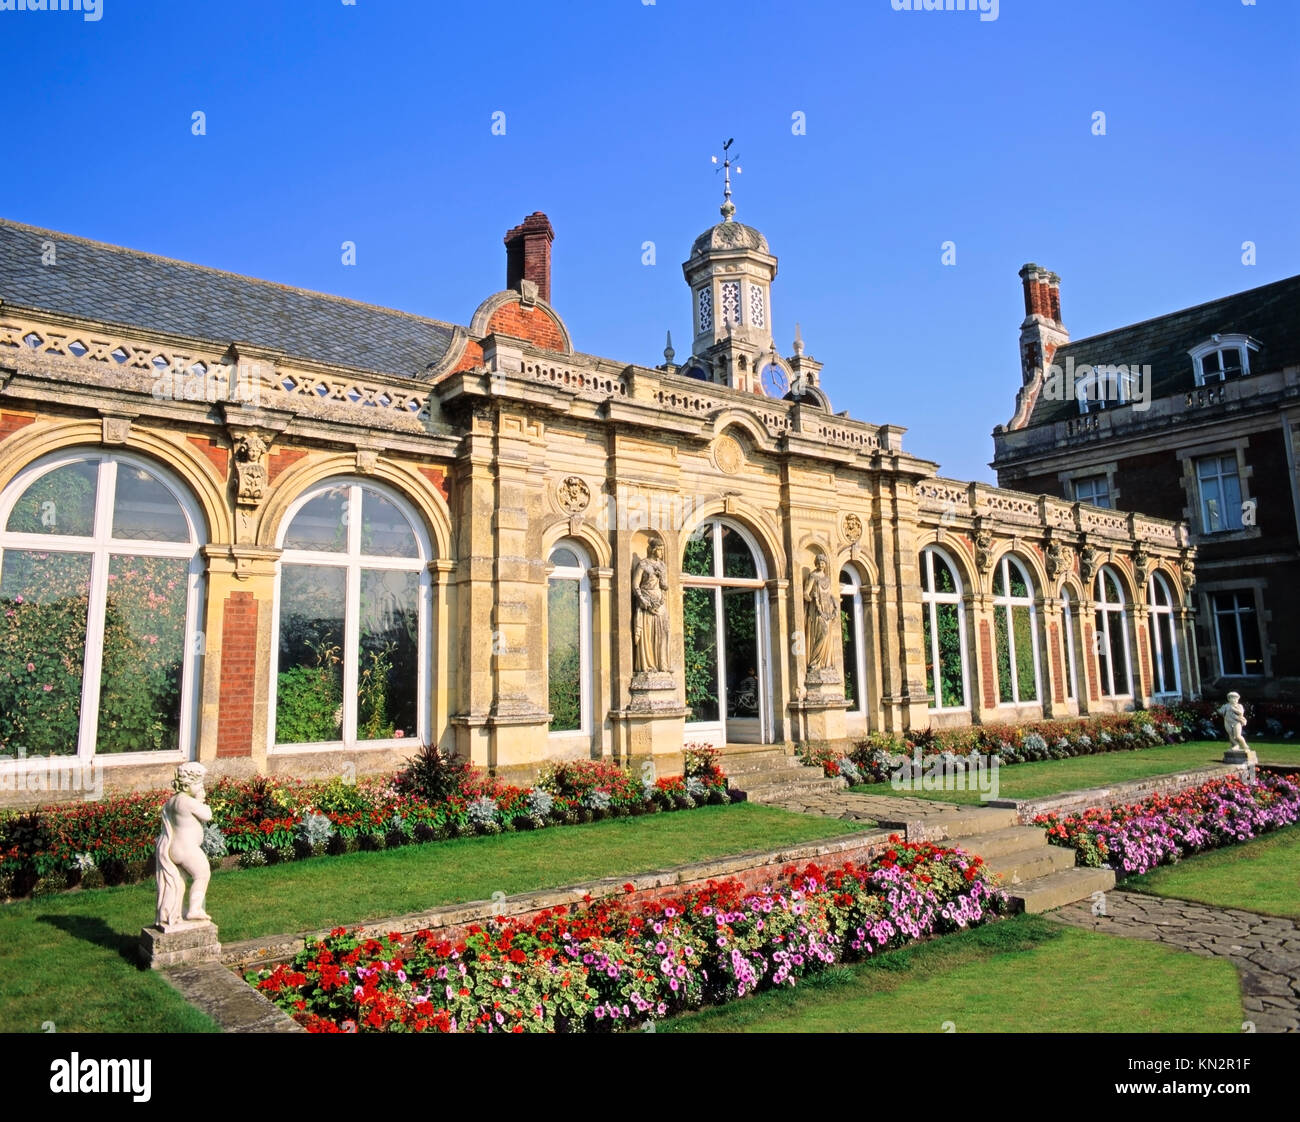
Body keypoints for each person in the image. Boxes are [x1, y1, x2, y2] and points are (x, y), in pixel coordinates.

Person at [155, 762, 213, 927]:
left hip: (174, 848)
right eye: (199, 784)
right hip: (188, 849)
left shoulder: (171, 802)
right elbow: (207, 815)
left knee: (179, 880)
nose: (202, 787)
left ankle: (174, 911)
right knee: (202, 875)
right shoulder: (187, 801)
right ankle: (195, 909)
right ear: (188, 785)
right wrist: (200, 800)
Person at [632, 537, 670, 673]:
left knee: (663, 632)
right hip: (646, 602)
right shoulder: (643, 564)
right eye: (660, 550)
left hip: (659, 602)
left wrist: (662, 578)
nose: (662, 553)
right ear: (653, 550)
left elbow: (665, 586)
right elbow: (635, 585)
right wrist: (642, 600)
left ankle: (662, 664)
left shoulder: (662, 565)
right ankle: (648, 664)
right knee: (648, 634)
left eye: (662, 550)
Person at [804, 553, 838, 671]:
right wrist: (811, 599)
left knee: (828, 635)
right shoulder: (813, 576)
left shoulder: (827, 578)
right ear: (816, 564)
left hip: (828, 610)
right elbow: (806, 593)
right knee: (823, 633)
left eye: (823, 562)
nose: (821, 564)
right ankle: (814, 661)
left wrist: (835, 606)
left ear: (825, 564)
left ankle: (823, 663)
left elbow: (830, 594)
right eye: (819, 562)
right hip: (817, 610)